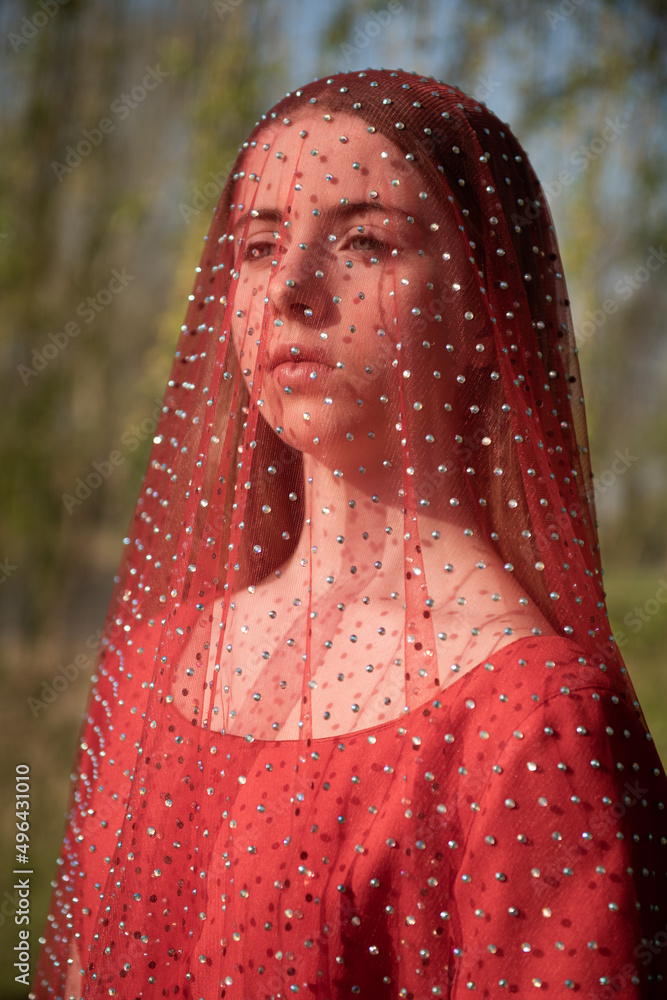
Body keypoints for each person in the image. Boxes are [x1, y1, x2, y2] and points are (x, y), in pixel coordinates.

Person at [32, 68, 667, 1000]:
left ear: (487, 310)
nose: (289, 287)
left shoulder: (533, 725)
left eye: (366, 241)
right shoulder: (157, 662)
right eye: (256, 245)